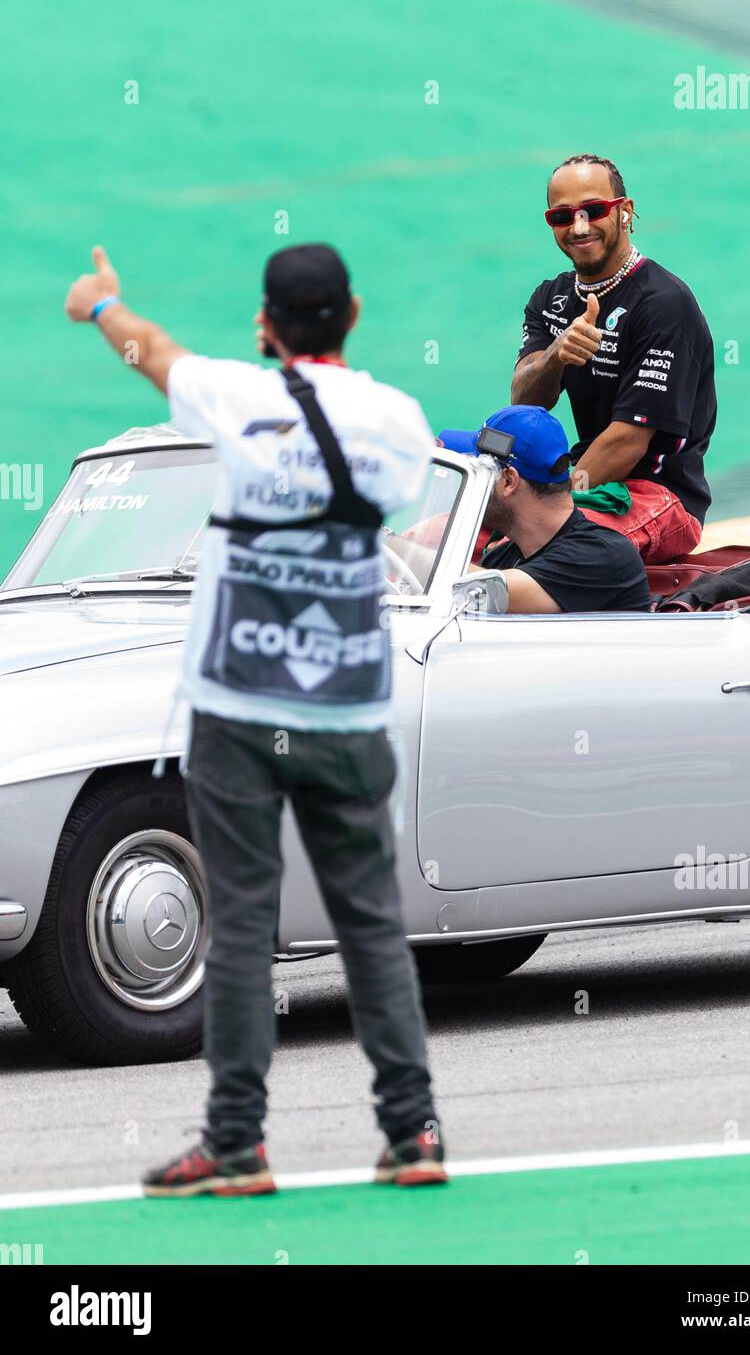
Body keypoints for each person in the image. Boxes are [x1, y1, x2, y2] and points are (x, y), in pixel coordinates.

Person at [63, 242, 448, 1195]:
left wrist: (101, 305)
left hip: (238, 704)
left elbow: (149, 350)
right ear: (352, 313)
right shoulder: (396, 419)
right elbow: (401, 497)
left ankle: (236, 1143)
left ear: (264, 326)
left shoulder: (235, 397)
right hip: (349, 702)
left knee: (238, 926)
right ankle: (414, 1133)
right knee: (370, 925)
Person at [511, 153, 717, 565]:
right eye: (562, 216)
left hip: (659, 495)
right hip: (588, 478)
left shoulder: (664, 304)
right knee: (457, 532)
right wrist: (556, 354)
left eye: (594, 210)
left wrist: (555, 504)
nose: (579, 226)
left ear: (625, 212)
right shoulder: (550, 299)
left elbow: (627, 440)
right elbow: (524, 401)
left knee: (537, 550)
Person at [412, 404, 650, 614]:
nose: (469, 487)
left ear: (508, 481)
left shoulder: (603, 556)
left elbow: (481, 589)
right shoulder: (503, 556)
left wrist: (386, 545)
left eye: (477, 473)